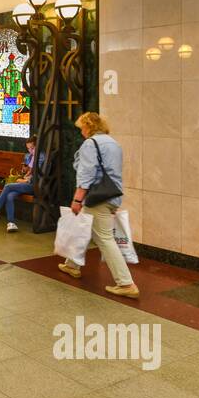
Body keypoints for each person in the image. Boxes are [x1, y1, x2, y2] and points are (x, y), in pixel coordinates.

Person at [59, 112, 139, 298]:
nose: (81, 132)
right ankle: (72, 265)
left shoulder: (91, 144)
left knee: (104, 238)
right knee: (84, 229)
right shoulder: (113, 143)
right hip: (111, 195)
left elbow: (86, 173)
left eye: (82, 127)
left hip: (96, 196)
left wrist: (77, 199)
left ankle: (126, 283)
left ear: (89, 126)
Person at [0, 135, 38, 232]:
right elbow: (28, 172)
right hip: (26, 184)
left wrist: (26, 180)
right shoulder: (30, 156)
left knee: (8, 186)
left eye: (32, 148)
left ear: (37, 146)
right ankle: (11, 223)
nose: (30, 150)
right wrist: (24, 173)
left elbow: (39, 175)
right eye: (28, 148)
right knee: (9, 195)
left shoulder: (40, 156)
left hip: (33, 186)